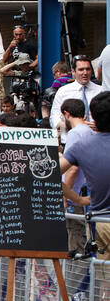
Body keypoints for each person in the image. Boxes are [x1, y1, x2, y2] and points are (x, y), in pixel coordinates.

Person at [59, 99, 92, 255]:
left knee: (76, 242)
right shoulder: (90, 131)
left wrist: (66, 196)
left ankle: (73, 279)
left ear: (66, 114)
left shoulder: (75, 133)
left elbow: (72, 168)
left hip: (77, 193)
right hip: (87, 192)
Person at [50, 55, 104, 136]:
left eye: (88, 69)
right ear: (73, 72)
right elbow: (54, 119)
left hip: (96, 139)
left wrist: (101, 125)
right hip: (70, 139)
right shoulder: (63, 91)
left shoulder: (101, 91)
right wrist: (75, 125)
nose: (85, 73)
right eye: (81, 69)